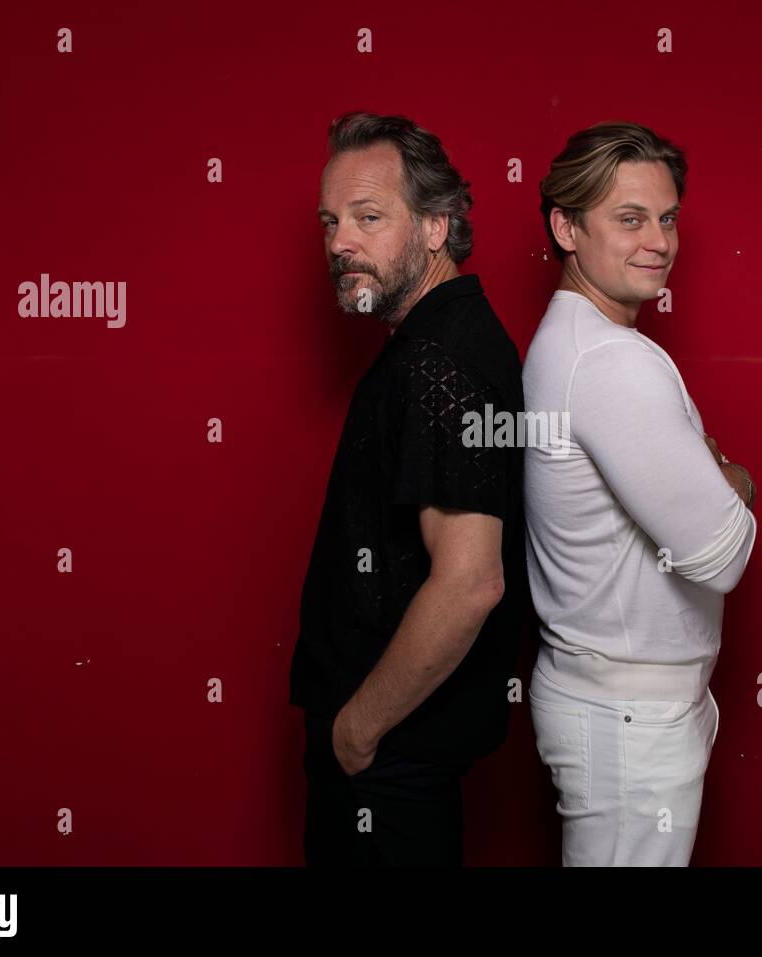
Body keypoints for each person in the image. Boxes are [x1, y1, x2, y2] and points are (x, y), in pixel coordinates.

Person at [290, 111, 526, 867]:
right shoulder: (433, 344)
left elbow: (470, 583)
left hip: (386, 772)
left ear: (435, 227)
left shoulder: (440, 361)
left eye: (368, 217)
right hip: (390, 770)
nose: (338, 243)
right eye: (331, 220)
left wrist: (358, 729)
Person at [522, 121, 758, 866]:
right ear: (566, 227)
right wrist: (737, 480)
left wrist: (710, 475)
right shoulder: (608, 360)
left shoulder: (582, 339)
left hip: (618, 706)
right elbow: (722, 554)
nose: (659, 240)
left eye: (667, 217)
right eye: (630, 219)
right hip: (625, 718)